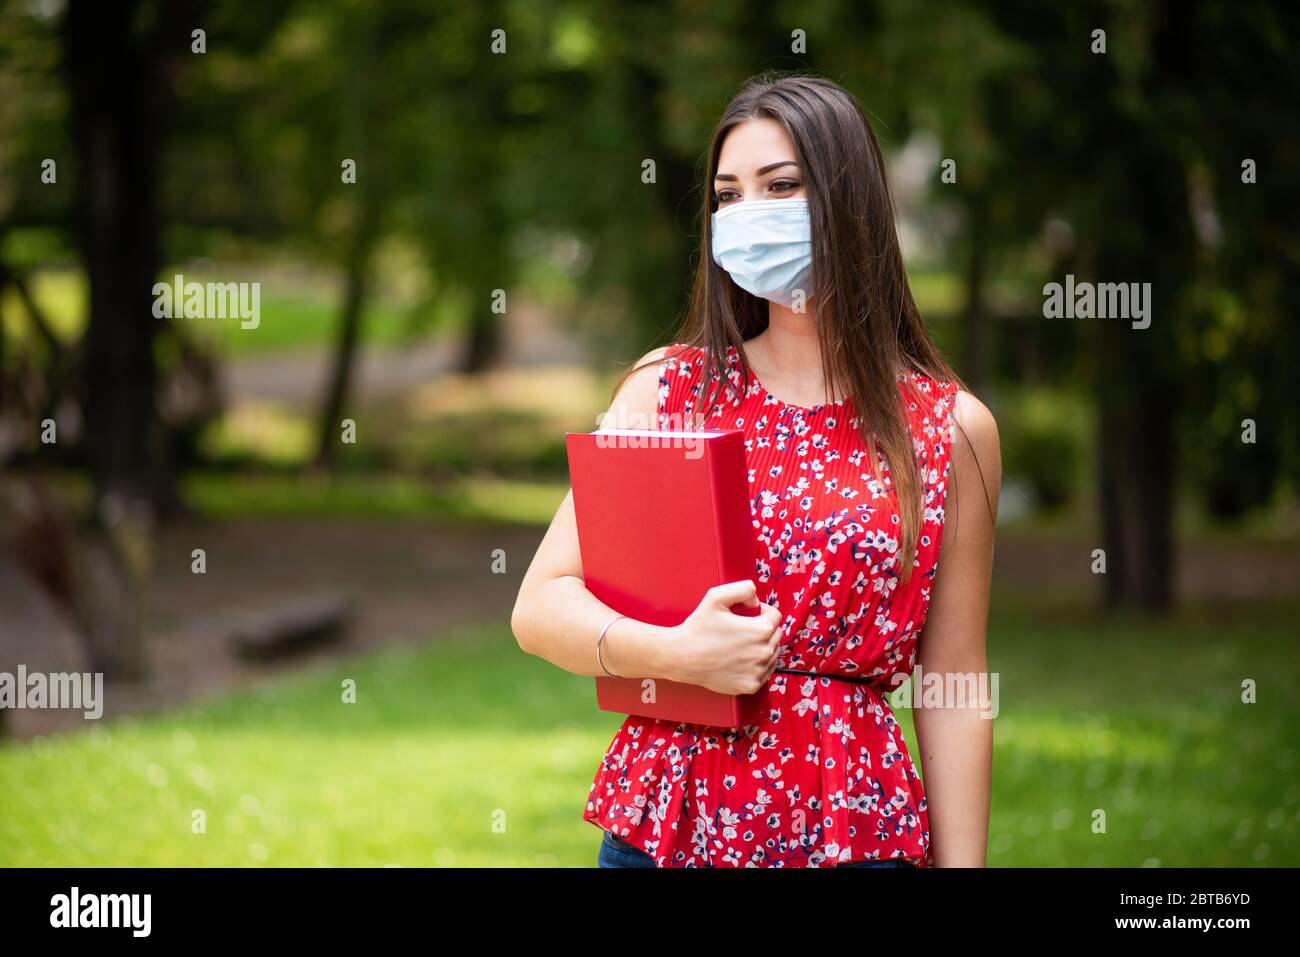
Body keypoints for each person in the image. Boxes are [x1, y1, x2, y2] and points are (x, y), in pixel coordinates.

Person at [512, 73, 999, 868]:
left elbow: (955, 682)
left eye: (780, 186)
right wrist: (675, 654)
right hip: (674, 820)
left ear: (852, 199)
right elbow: (539, 608)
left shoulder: (951, 430)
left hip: (856, 824)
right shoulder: (669, 390)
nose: (748, 216)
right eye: (727, 195)